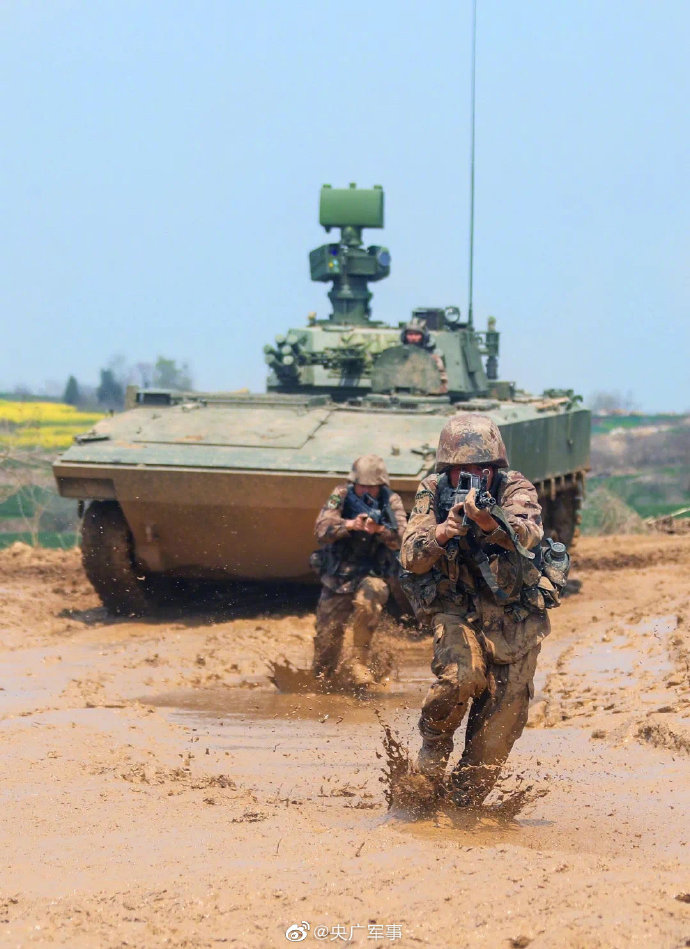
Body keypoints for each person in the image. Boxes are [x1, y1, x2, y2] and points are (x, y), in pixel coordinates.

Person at [400, 414, 558, 806]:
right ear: (447, 471)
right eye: (460, 471)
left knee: (498, 733)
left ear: (494, 470)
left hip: (514, 620)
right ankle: (431, 755)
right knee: (459, 678)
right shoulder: (432, 491)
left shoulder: (515, 487)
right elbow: (410, 556)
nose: (471, 478)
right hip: (456, 610)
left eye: (480, 470)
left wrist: (490, 522)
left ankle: (461, 809)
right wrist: (441, 532)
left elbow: (528, 533)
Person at [312, 454, 407, 688]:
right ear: (353, 483)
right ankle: (323, 682)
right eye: (361, 486)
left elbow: (405, 538)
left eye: (372, 487)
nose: (366, 491)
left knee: (371, 597)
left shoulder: (391, 500)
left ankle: (360, 663)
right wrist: (349, 525)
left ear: (381, 486)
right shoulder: (341, 495)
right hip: (338, 576)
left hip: (372, 573)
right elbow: (320, 530)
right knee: (326, 641)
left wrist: (380, 530)